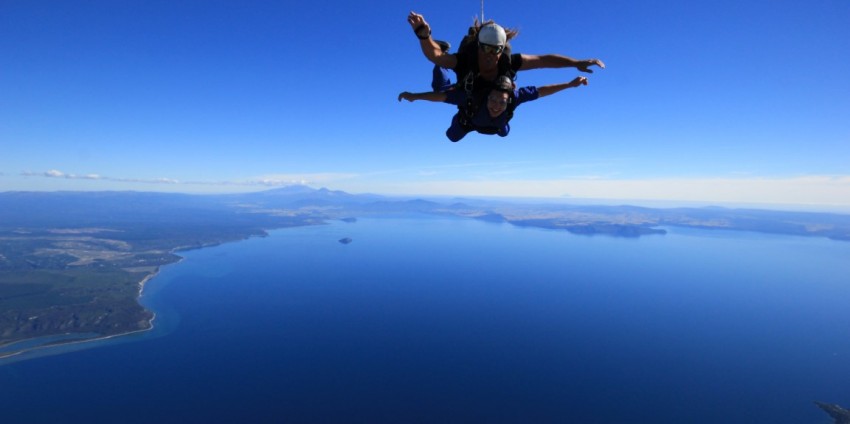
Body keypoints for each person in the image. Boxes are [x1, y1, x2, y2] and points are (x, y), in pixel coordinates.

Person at [407, 11, 605, 91]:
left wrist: (576, 63)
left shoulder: (509, 62)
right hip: (461, 86)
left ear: (502, 49)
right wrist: (424, 37)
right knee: (441, 82)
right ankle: (438, 43)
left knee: (501, 126)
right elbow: (436, 56)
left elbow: (543, 60)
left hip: (486, 98)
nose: (489, 54)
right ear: (477, 46)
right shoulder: (467, 59)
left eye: (495, 50)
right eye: (484, 48)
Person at [399, 75, 589, 142]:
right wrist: (415, 97)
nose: (497, 106)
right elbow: (441, 97)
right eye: (494, 100)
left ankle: (500, 127)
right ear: (487, 96)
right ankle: (440, 63)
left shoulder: (515, 97)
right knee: (452, 137)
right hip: (468, 121)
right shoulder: (472, 97)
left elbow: (541, 91)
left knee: (504, 132)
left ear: (509, 101)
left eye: (502, 102)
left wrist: (570, 85)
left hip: (494, 125)